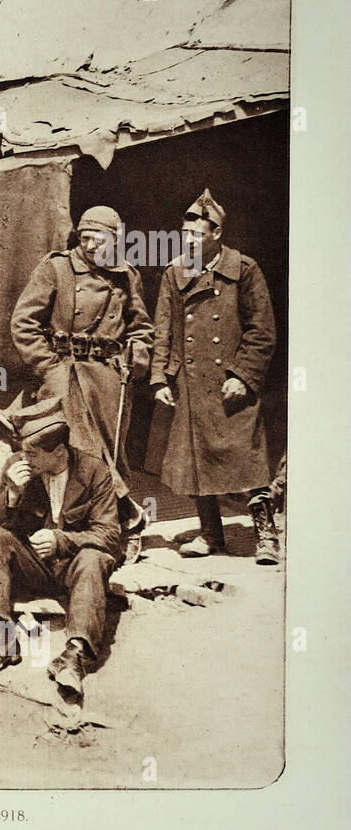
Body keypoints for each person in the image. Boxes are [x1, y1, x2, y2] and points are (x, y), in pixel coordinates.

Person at [10, 205, 154, 561]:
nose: (89, 245)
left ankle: (112, 526)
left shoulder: (127, 276)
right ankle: (119, 519)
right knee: (73, 451)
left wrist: (138, 354)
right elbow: (23, 323)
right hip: (64, 376)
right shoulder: (56, 268)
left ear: (116, 239)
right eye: (84, 237)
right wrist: (49, 367)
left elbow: (141, 327)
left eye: (98, 238)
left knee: (110, 456)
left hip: (108, 380)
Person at [150, 189, 279, 563]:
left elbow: (262, 330)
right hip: (190, 383)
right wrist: (160, 378)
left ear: (217, 233)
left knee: (249, 459)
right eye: (184, 233)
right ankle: (211, 536)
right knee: (196, 460)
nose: (188, 240)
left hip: (231, 382)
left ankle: (266, 536)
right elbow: (163, 328)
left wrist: (242, 374)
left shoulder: (245, 270)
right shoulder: (175, 273)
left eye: (196, 234)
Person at [0, 400, 121, 697]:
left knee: (94, 558)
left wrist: (61, 540)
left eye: (33, 453)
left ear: (60, 452)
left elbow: (109, 535)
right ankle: (2, 635)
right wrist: (12, 495)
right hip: (34, 565)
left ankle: (74, 655)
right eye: (23, 450)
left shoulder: (94, 470)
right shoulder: (16, 466)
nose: (25, 459)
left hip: (74, 566)